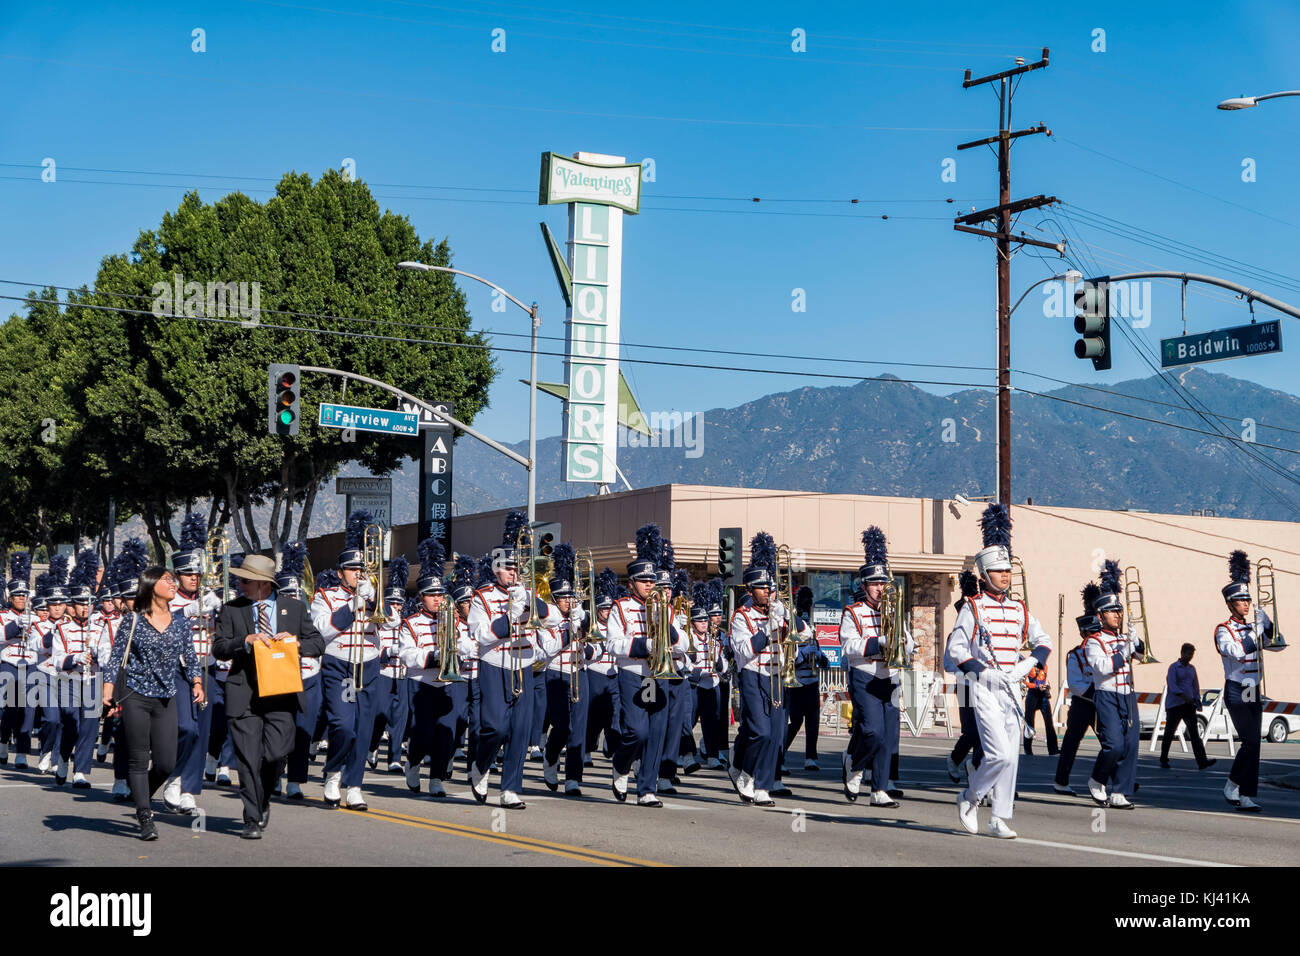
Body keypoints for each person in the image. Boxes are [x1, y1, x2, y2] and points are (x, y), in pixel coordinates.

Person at [947, 504, 1051, 840]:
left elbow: (1043, 641)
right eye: (998, 571)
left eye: (1007, 570)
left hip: (1012, 689)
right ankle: (970, 797)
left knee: (1012, 759)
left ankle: (999, 817)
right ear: (984, 575)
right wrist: (984, 672)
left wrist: (1027, 664)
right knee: (997, 754)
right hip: (985, 687)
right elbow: (957, 650)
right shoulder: (974, 608)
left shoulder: (1020, 607)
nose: (1005, 575)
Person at [213, 553, 324, 839]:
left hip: (281, 694)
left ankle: (263, 799)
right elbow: (219, 648)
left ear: (263, 583)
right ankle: (251, 818)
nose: (240, 584)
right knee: (248, 759)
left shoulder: (295, 608)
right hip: (244, 694)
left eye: (245, 580)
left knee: (275, 754)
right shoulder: (231, 609)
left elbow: (317, 643)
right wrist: (245, 641)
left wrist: (294, 643)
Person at [102, 566, 205, 841]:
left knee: (166, 763)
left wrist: (197, 683)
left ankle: (141, 794)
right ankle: (145, 815)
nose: (173, 584)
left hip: (166, 697)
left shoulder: (180, 622)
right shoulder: (133, 620)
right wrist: (108, 690)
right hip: (136, 695)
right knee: (138, 758)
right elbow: (115, 659)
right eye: (167, 580)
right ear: (151, 585)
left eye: (173, 580)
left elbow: (191, 657)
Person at [467, 511, 552, 809]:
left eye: (516, 568)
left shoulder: (528, 592)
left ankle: (510, 789)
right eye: (507, 568)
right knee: (495, 727)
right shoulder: (483, 596)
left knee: (520, 730)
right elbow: (481, 635)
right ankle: (481, 764)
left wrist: (528, 599)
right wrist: (510, 616)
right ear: (495, 569)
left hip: (524, 664)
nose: (512, 572)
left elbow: (551, 617)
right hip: (494, 666)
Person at [310, 510, 384, 810]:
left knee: (364, 727)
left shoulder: (373, 594)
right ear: (340, 573)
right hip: (339, 664)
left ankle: (354, 785)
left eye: (361, 569)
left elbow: (390, 622)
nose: (357, 574)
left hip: (368, 664)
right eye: (351, 570)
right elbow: (323, 630)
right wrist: (354, 604)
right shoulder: (324, 597)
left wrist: (374, 599)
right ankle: (333, 772)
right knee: (343, 724)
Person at [607, 523, 679, 807]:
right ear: (631, 583)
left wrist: (668, 632)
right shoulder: (620, 607)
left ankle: (647, 789)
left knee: (656, 731)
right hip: (633, 674)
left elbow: (682, 642)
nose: (650, 585)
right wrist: (644, 645)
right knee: (638, 731)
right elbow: (612, 645)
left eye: (652, 581)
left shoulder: (665, 606)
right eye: (643, 581)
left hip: (656, 675)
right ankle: (622, 763)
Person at [839, 527, 904, 808]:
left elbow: (907, 641)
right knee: (872, 731)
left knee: (888, 738)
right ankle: (854, 762)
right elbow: (849, 646)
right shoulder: (853, 612)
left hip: (890, 677)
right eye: (875, 584)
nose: (880, 588)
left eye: (883, 583)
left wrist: (905, 645)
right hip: (865, 676)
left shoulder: (894, 610)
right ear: (864, 586)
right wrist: (879, 642)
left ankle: (879, 790)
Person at [164, 515, 223, 813]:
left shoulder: (210, 597)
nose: (194, 579)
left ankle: (189, 788)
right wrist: (191, 610)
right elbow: (160, 624)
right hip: (178, 670)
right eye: (188, 574)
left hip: (206, 668)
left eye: (197, 574)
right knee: (185, 727)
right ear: (177, 575)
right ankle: (173, 776)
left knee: (201, 731)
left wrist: (224, 608)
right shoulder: (167, 599)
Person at [401, 539, 469, 798]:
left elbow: (468, 646)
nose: (438, 600)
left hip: (449, 683)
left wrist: (456, 649)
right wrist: (434, 656)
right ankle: (414, 761)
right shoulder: (411, 623)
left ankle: (437, 779)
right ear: (421, 597)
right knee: (422, 733)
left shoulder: (453, 619)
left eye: (440, 595)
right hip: (422, 683)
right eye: (432, 596)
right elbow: (407, 654)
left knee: (446, 734)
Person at [727, 531, 786, 808]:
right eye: (762, 589)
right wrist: (768, 630)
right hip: (751, 675)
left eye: (770, 588)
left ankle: (761, 785)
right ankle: (745, 772)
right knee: (759, 731)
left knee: (775, 735)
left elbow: (798, 637)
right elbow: (743, 650)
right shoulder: (741, 616)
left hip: (776, 675)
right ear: (750, 591)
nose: (768, 593)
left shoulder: (779, 610)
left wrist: (791, 622)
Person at [1216, 550, 1272, 812]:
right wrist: (1258, 630)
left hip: (1253, 688)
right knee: (1249, 740)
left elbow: (1275, 645)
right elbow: (1238, 652)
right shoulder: (1223, 630)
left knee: (1255, 743)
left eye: (1248, 599)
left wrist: (1268, 625)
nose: (1247, 604)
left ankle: (1247, 795)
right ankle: (1232, 784)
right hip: (1237, 689)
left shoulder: (1253, 626)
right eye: (1241, 601)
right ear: (1230, 604)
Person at [1084, 561, 1143, 810]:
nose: (1117, 615)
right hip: (1107, 695)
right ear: (1100, 616)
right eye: (1112, 611)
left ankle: (1120, 791)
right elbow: (1104, 668)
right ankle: (1097, 779)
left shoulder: (1123, 637)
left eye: (1119, 611)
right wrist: (1126, 650)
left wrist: (1136, 640)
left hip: (1128, 694)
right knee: (1114, 745)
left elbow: (1141, 655)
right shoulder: (1093, 641)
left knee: (1130, 745)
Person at [539, 543, 595, 797]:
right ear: (554, 599)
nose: (567, 602)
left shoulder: (581, 615)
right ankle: (551, 757)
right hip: (555, 674)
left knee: (579, 728)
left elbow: (599, 642)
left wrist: (588, 643)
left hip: (579, 673)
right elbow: (548, 649)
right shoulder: (546, 620)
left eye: (571, 597)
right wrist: (568, 632)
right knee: (562, 726)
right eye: (562, 597)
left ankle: (573, 778)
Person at [1053, 585, 1100, 796]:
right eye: (1091, 634)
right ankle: (1061, 782)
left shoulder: (1103, 650)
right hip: (1083, 703)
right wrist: (1096, 693)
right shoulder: (1075, 655)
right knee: (1071, 743)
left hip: (1102, 702)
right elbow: (1075, 685)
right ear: (1083, 634)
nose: (1094, 637)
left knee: (1112, 744)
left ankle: (1119, 781)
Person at [369, 556, 411, 774]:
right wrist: (390, 651)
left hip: (402, 675)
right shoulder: (379, 625)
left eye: (399, 604)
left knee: (400, 718)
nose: (396, 607)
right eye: (392, 603)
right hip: (384, 674)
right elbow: (376, 652)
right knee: (381, 714)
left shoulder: (407, 626)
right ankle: (373, 745)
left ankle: (394, 759)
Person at [785, 586, 828, 772]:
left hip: (812, 684)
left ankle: (811, 757)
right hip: (796, 684)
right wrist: (803, 654)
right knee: (794, 723)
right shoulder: (792, 638)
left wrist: (820, 656)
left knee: (813, 722)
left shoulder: (813, 638)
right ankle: (780, 752)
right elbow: (789, 662)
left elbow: (825, 664)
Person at [945, 571, 982, 784]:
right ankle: (955, 759)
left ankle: (977, 769)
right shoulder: (954, 636)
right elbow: (948, 664)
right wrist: (967, 673)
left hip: (986, 685)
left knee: (986, 731)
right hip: (967, 685)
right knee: (971, 732)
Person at [583, 568, 621, 764]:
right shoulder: (592, 626)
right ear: (597, 609)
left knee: (615, 713)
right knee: (593, 715)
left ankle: (612, 746)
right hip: (595, 672)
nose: (608, 612)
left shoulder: (617, 623)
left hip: (614, 673)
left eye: (610, 608)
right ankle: (587, 749)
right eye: (604, 609)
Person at [0, 552, 34, 769]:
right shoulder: (2, 615)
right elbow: (1, 636)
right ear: (10, 597)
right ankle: (3, 744)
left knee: (28, 709)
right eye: (17, 596)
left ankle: (22, 752)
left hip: (31, 665)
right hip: (9, 664)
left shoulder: (36, 615)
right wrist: (16, 625)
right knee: (11, 709)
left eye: (24, 595)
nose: (22, 599)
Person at [1160, 643, 1215, 770]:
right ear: (1182, 653)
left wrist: (1197, 699)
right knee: (1169, 732)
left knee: (1194, 734)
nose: (1190, 657)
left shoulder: (1192, 669)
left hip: (1189, 706)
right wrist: (1184, 697)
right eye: (1189, 654)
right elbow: (1172, 686)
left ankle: (1202, 761)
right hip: (1175, 705)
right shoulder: (1174, 668)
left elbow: (1195, 686)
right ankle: (1164, 759)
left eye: (1192, 654)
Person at [1021, 658, 1058, 756]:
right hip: (1032, 695)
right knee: (1029, 723)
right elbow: (1024, 682)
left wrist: (1046, 686)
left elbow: (1043, 680)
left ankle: (1053, 749)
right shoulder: (1029, 667)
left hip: (1042, 696)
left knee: (1049, 722)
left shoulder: (1045, 666)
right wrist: (1036, 686)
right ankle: (1028, 749)